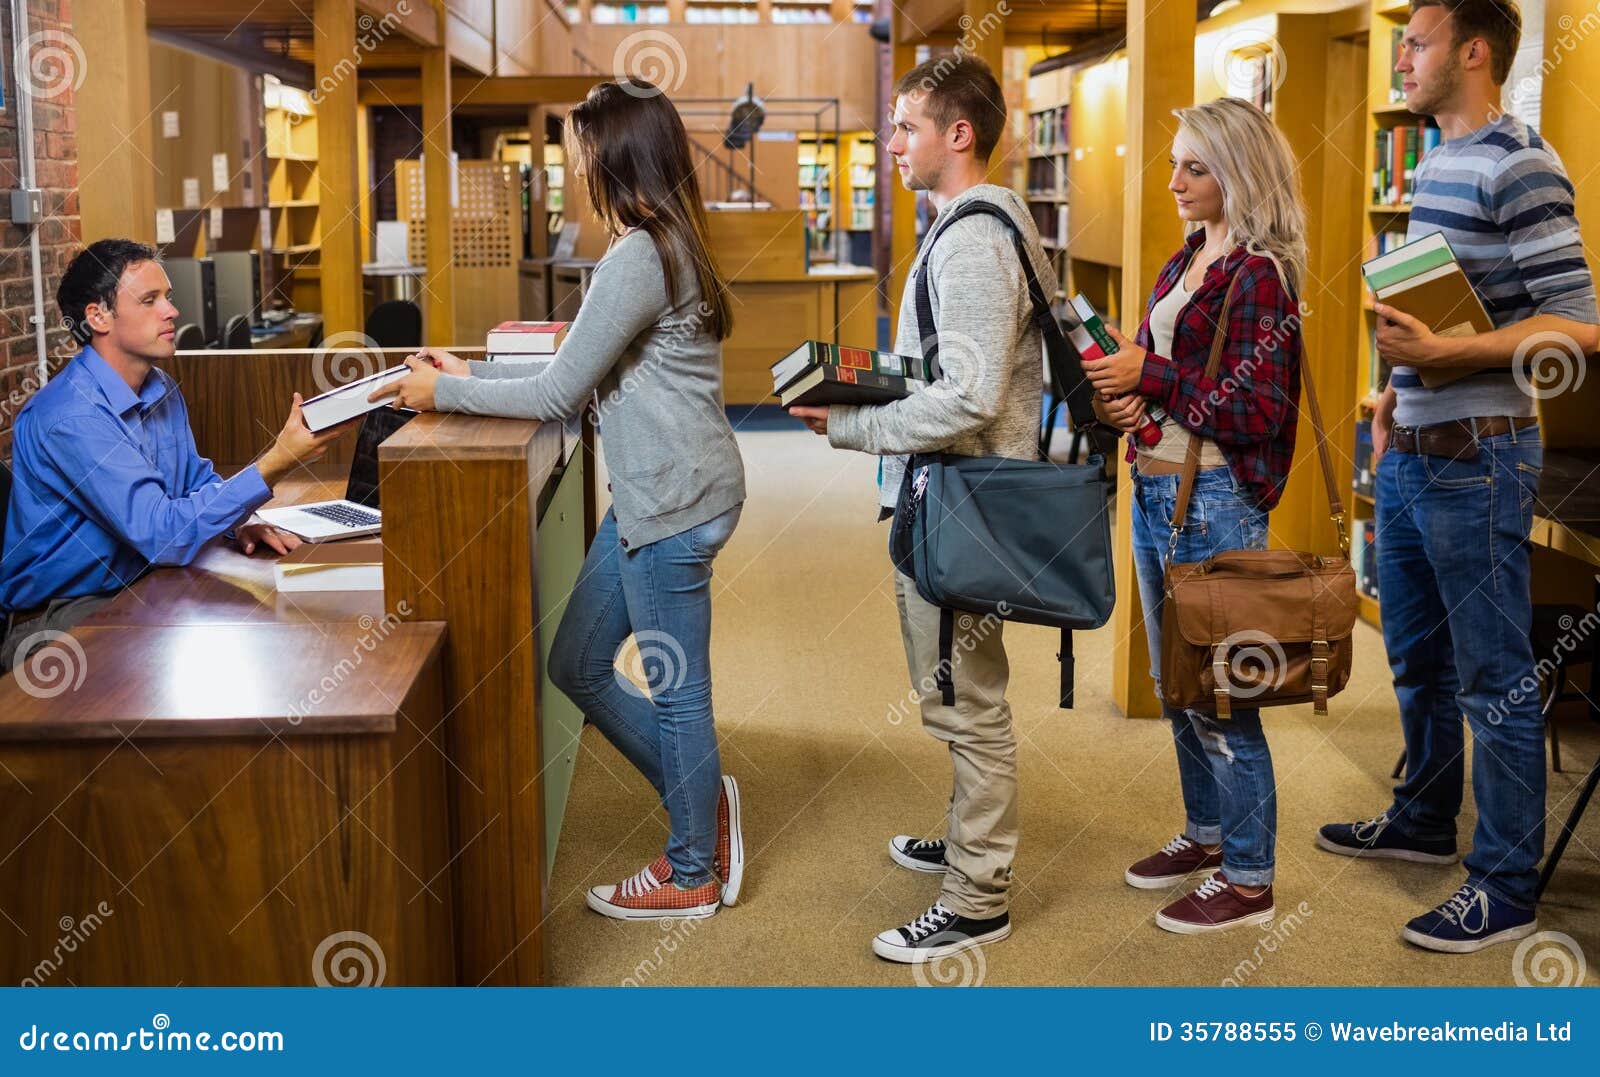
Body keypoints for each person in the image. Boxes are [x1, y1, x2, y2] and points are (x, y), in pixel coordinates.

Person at [373, 80, 747, 922]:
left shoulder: (639, 255)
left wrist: (443, 398)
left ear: (613, 154)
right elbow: (574, 370)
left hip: (673, 503)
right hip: (671, 492)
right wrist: (472, 376)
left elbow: (557, 393)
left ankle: (693, 866)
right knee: (576, 661)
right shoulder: (664, 241)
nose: (573, 165)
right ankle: (701, 797)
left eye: (580, 150)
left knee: (678, 691)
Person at [1315, 0, 1599, 953]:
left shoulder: (1522, 164)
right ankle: (1425, 816)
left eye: (1418, 40)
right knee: (1418, 660)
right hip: (1412, 442)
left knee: (1494, 679)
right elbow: (1436, 304)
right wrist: (1398, 387)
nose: (1401, 55)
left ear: (1473, 52)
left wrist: (1452, 354)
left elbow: (1579, 324)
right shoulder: (1437, 158)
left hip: (1482, 455)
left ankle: (1505, 881)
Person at [790, 54, 1044, 964]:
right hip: (954, 497)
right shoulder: (967, 224)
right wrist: (870, 383)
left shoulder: (973, 236)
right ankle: (969, 838)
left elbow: (971, 398)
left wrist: (856, 426)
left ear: (957, 135)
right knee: (955, 692)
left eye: (906, 125)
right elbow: (952, 370)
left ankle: (979, 896)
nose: (893, 142)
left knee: (967, 703)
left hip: (963, 503)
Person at [1084, 97, 1307, 934]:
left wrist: (1153, 374)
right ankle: (1208, 833)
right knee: (1177, 684)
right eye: (1175, 162)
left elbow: (1256, 412)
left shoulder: (1260, 276)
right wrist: (1126, 398)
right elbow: (1168, 377)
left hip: (1214, 500)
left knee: (1223, 694)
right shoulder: (1189, 257)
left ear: (1239, 174)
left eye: (1195, 167)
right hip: (1155, 483)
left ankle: (1250, 879)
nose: (1174, 181)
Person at [0, 239, 343, 669]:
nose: (172, 311)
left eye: (169, 297)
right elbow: (163, 536)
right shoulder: (72, 417)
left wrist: (241, 522)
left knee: (273, 628)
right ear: (98, 316)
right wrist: (277, 461)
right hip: (59, 618)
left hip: (139, 586)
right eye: (150, 300)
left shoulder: (160, 388)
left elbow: (195, 483)